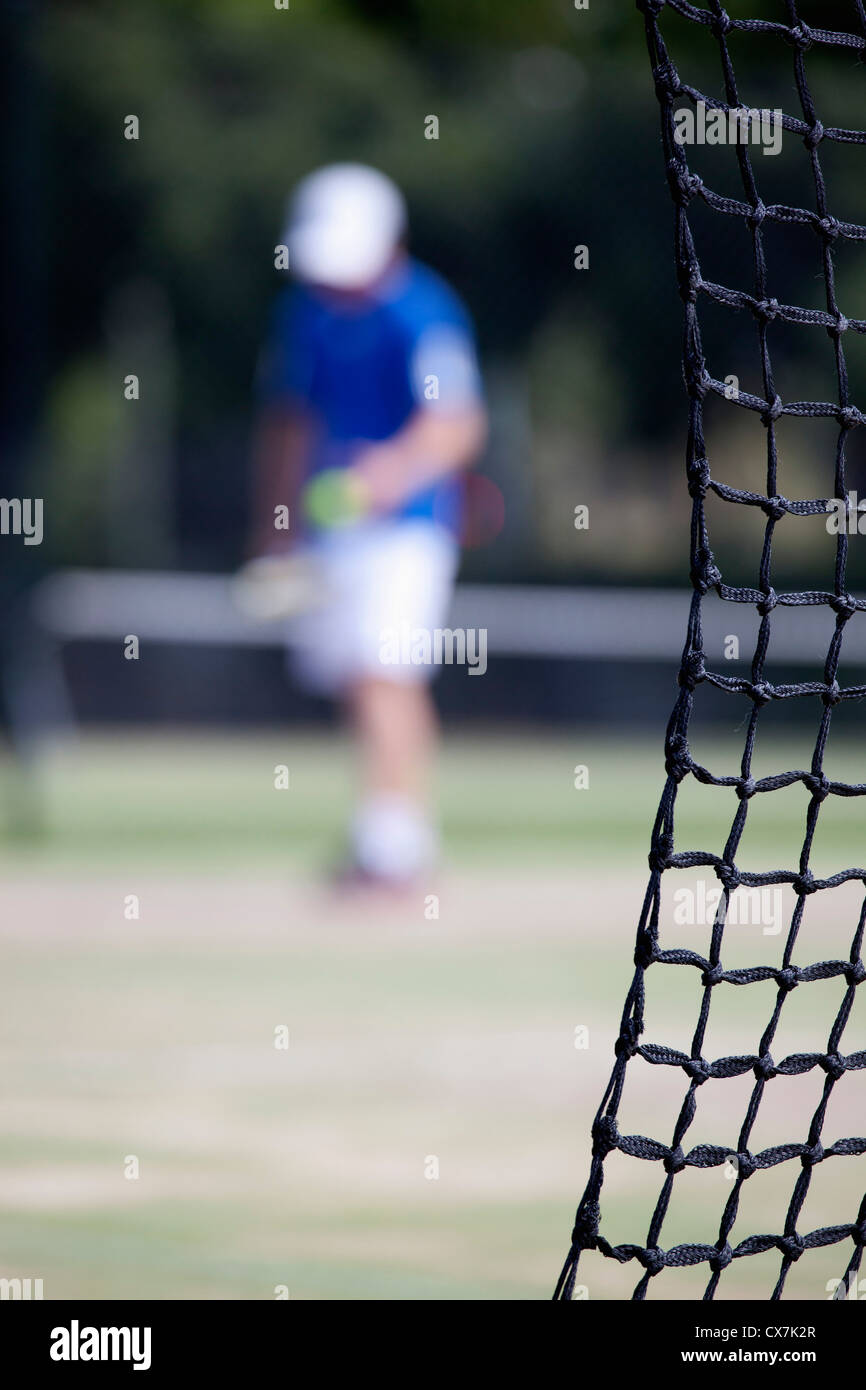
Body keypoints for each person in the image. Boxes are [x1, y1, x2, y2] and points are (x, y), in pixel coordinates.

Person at [250, 163, 487, 889]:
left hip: (410, 527)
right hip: (333, 534)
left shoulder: (423, 312)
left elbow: (456, 425)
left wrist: (387, 474)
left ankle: (398, 848)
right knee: (357, 678)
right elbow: (289, 424)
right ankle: (383, 834)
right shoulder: (306, 315)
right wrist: (277, 527)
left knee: (388, 671)